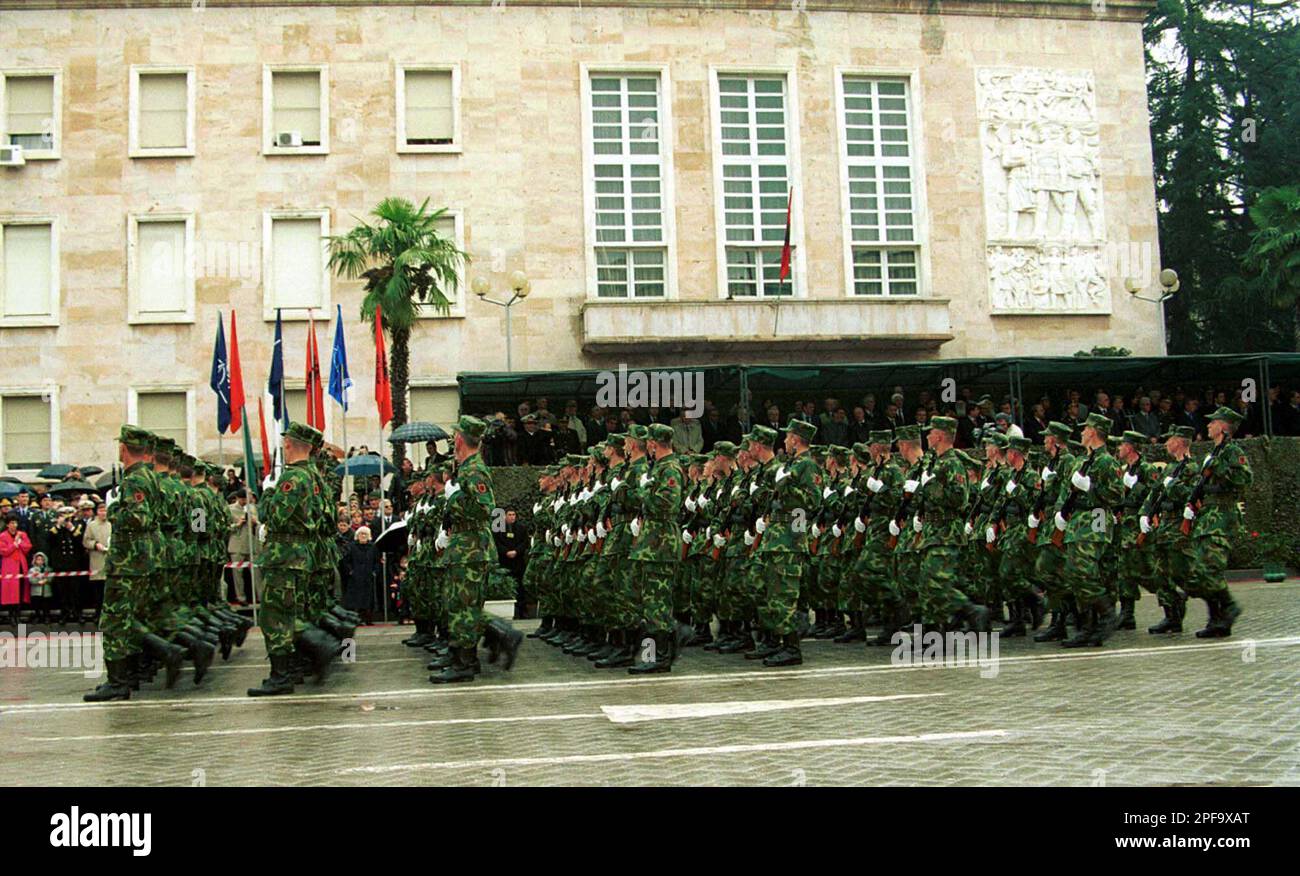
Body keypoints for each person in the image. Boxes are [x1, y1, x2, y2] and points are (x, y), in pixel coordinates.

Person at [429, 415, 523, 683]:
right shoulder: (466, 468)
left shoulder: (475, 470)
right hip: (464, 547)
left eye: (454, 436)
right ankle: (461, 652)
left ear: (459, 439)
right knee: (458, 604)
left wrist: (455, 499)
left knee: (465, 606)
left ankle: (467, 661)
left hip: (472, 549)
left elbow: (486, 508)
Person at [47, 505, 88, 625]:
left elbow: (81, 542)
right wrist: (58, 526)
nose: (66, 518)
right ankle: (64, 613)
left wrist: (72, 529)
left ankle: (77, 612)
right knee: (62, 591)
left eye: (68, 515)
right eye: (63, 515)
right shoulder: (55, 528)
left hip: (75, 563)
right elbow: (49, 540)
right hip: (61, 564)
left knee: (76, 590)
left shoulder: (78, 526)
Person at [341, 526, 381, 624]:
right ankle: (356, 619)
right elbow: (346, 561)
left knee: (368, 599)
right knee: (355, 599)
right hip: (355, 577)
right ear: (357, 535)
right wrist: (350, 571)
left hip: (368, 577)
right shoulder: (351, 546)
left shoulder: (373, 547)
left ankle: (368, 619)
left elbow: (377, 561)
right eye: (361, 534)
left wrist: (375, 571)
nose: (363, 536)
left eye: (365, 534)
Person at [493, 508, 529, 617]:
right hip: (504, 561)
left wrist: (516, 551)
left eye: (514, 514)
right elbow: (496, 543)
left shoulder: (521, 528)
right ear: (504, 516)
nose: (512, 517)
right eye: (509, 514)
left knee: (520, 587)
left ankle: (522, 612)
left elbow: (525, 542)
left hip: (518, 561)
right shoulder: (498, 529)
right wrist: (506, 552)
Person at [1, 515, 33, 625]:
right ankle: (11, 615)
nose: (14, 525)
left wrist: (20, 543)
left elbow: (28, 547)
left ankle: (18, 614)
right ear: (7, 524)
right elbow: (4, 551)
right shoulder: (2, 536)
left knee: (20, 590)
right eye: (12, 523)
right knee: (10, 591)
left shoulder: (22, 534)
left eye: (15, 523)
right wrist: (14, 545)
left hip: (20, 565)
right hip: (9, 566)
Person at [83, 501, 111, 622]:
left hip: (111, 561)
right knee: (98, 591)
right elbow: (85, 541)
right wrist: (95, 545)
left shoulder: (112, 524)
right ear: (97, 512)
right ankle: (98, 613)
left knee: (109, 591)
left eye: (105, 510)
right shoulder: (92, 525)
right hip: (97, 560)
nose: (103, 513)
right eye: (101, 511)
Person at [27, 551, 54, 624]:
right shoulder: (32, 570)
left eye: (42, 559)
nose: (40, 561)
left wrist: (46, 580)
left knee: (46, 605)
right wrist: (37, 582)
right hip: (36, 591)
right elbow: (30, 579)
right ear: (35, 560)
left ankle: (46, 617)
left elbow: (51, 578)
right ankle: (37, 617)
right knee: (36, 605)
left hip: (46, 591)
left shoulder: (48, 569)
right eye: (38, 559)